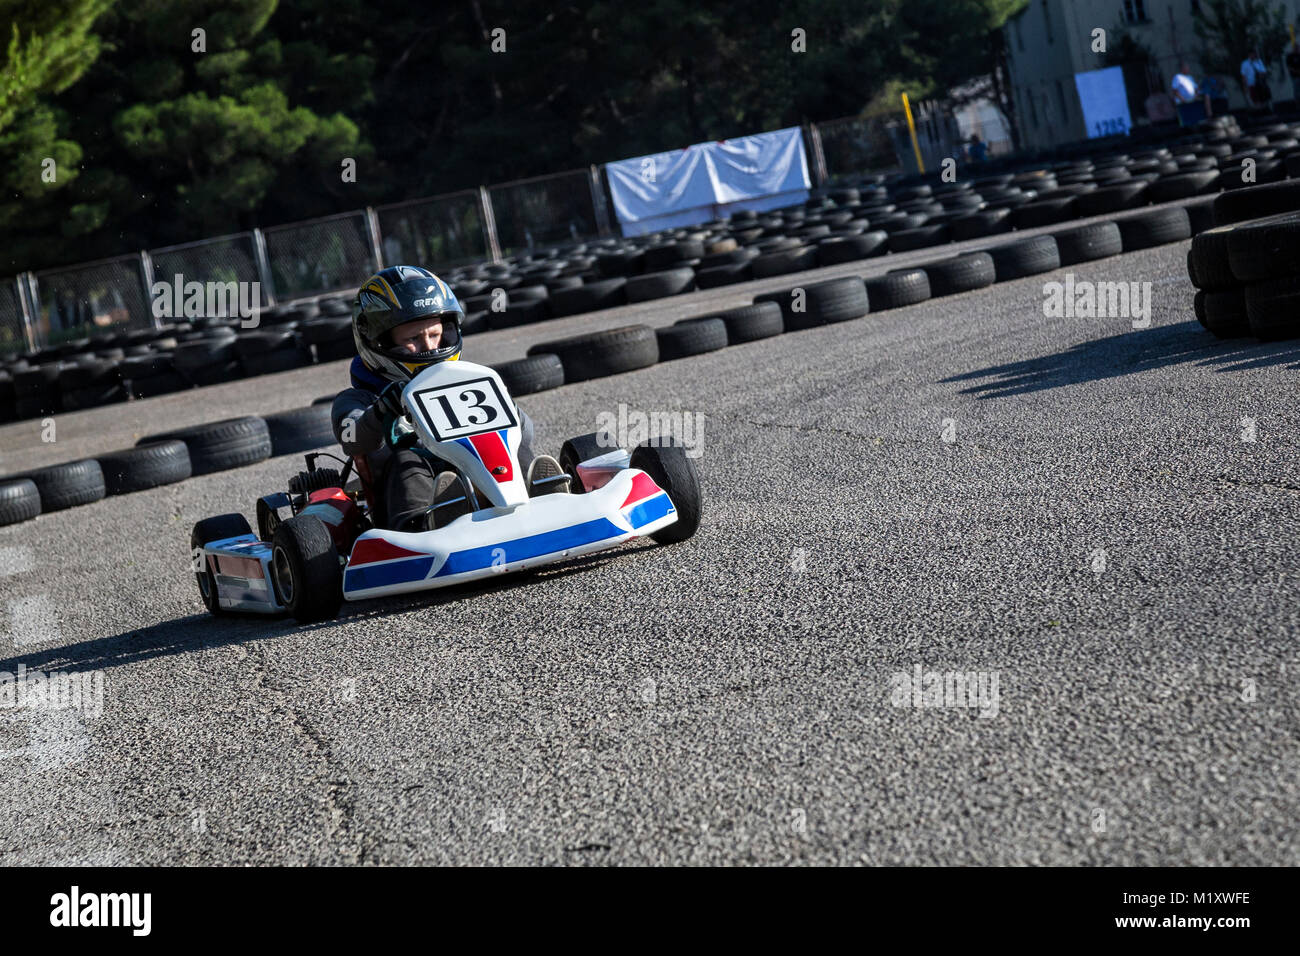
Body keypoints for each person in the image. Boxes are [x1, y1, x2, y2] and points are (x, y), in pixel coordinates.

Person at [331, 265, 568, 533]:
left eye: (435, 335)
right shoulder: (359, 398)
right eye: (413, 338)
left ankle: (542, 498)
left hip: (478, 474)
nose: (430, 347)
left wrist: (506, 408)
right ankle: (425, 525)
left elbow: (525, 433)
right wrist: (380, 411)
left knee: (512, 447)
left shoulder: (467, 381)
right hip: (406, 499)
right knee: (409, 461)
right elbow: (351, 438)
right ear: (378, 341)